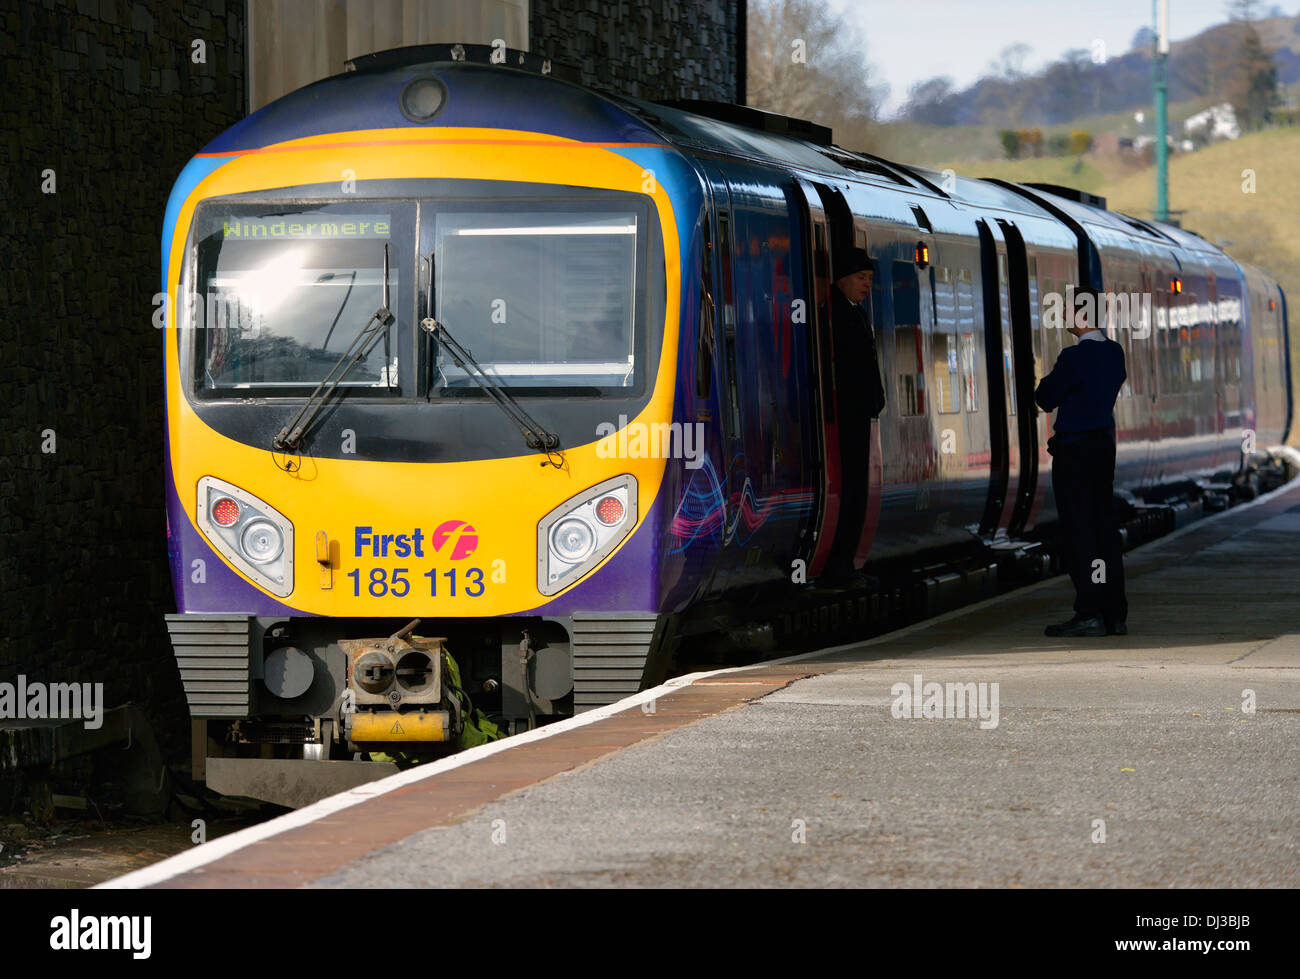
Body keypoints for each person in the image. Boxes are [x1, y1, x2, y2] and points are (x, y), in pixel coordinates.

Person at [1034, 292, 1128, 637]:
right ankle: (1113, 612)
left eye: (1067, 310)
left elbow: (1045, 397)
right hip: (1104, 450)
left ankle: (1089, 610)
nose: (1063, 316)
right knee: (1103, 530)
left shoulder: (1074, 357)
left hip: (1075, 453)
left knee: (1080, 533)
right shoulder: (1114, 353)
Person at [821, 247, 885, 583]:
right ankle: (840, 564)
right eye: (861, 278)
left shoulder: (853, 311)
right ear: (843, 278)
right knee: (851, 489)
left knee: (857, 489)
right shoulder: (835, 314)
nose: (866, 285)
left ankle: (846, 562)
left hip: (857, 416)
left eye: (870, 279)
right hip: (847, 418)